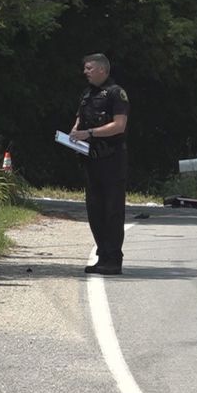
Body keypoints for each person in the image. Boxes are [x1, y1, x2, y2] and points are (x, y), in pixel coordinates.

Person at [69, 53, 130, 275]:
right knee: (95, 210)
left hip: (112, 160)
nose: (85, 72)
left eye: (89, 68)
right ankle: (102, 256)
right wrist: (75, 132)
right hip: (90, 160)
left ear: (102, 70)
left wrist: (90, 133)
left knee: (112, 210)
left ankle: (114, 259)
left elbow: (119, 125)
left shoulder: (116, 93)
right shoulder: (87, 94)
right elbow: (79, 118)